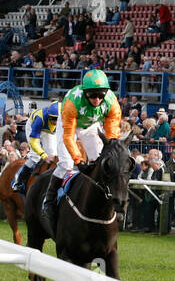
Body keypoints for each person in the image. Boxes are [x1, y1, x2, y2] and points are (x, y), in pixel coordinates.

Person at [40, 69, 122, 234]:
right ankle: (49, 200)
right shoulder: (72, 103)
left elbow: (112, 129)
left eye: (101, 95)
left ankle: (102, 202)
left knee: (102, 163)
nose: (97, 99)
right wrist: (78, 160)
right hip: (69, 126)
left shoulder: (112, 102)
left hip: (90, 126)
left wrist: (110, 147)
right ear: (85, 93)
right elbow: (69, 136)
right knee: (66, 163)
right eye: (92, 95)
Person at [13, 101, 59, 195]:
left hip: (48, 131)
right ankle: (19, 180)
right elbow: (34, 143)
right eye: (53, 119)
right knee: (35, 156)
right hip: (33, 126)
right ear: (49, 116)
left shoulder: (66, 115)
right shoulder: (39, 119)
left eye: (57, 119)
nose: (55, 122)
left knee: (53, 153)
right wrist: (43, 155)